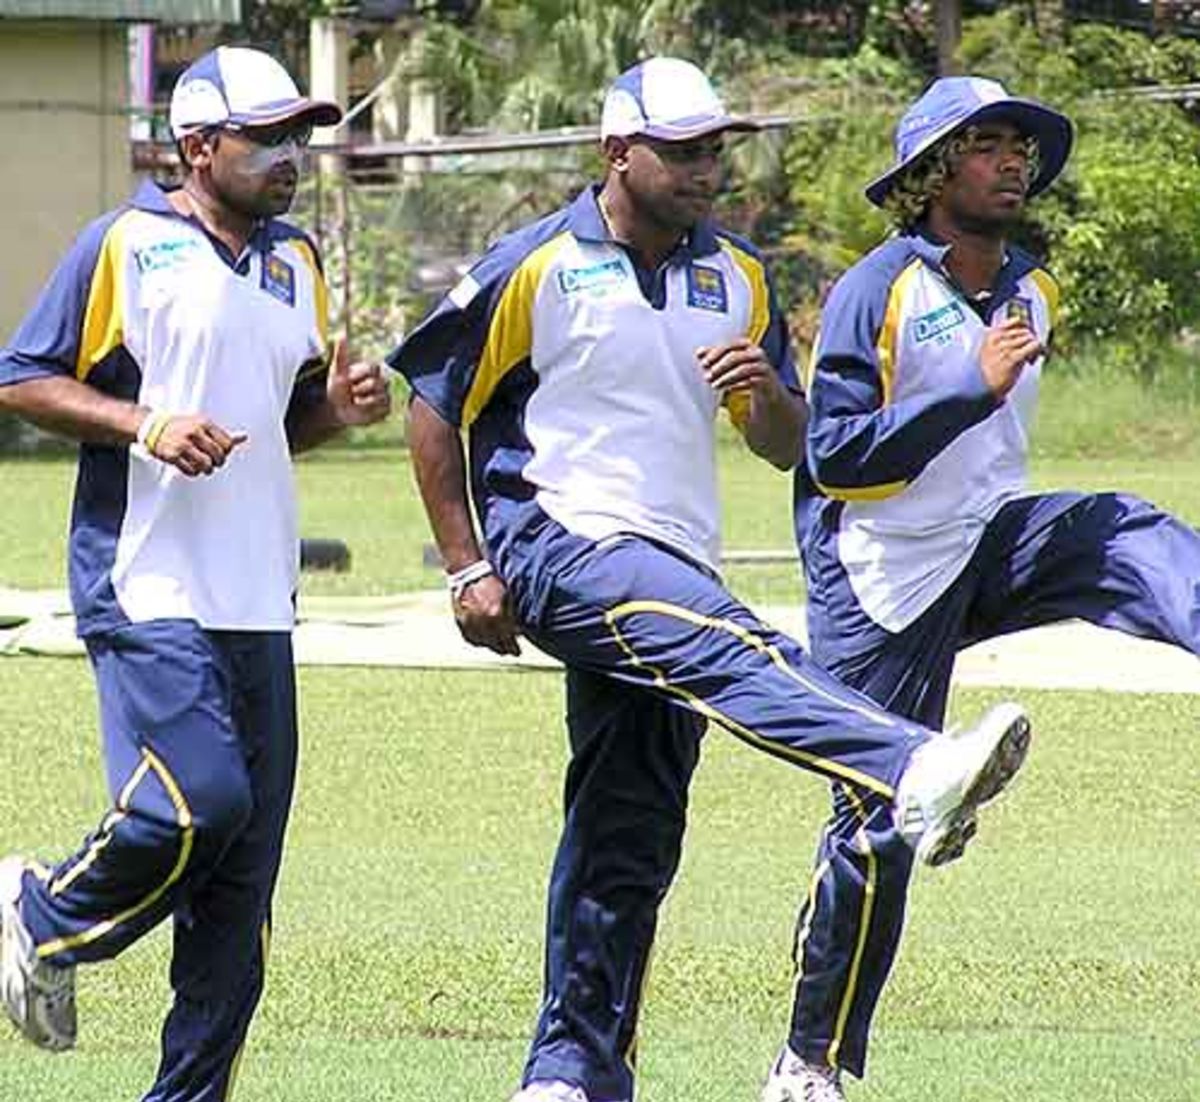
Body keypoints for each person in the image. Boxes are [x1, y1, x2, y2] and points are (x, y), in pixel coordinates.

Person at [389, 58, 1033, 1102]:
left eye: (714, 150)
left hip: (676, 559)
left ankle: (570, 1073)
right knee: (732, 645)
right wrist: (468, 564)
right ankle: (908, 767)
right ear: (617, 155)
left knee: (627, 831)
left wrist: (765, 391)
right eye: (682, 151)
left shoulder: (738, 273)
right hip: (560, 544)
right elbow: (433, 404)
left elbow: (787, 447)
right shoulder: (537, 262)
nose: (705, 169)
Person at [768, 74, 1193, 1101]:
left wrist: (986, 395)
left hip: (990, 539)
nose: (1014, 163)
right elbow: (835, 460)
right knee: (878, 824)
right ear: (930, 173)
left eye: (1020, 146)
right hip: (881, 573)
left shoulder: (1031, 287)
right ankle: (807, 1063)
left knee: (1124, 530)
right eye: (986, 145)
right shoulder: (879, 288)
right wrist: (973, 387)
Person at [0, 45, 390, 1101]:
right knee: (194, 806)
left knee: (240, 895)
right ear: (197, 145)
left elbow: (283, 418)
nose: (289, 157)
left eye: (299, 136)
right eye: (265, 138)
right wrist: (146, 424)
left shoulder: (295, 260)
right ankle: (42, 911)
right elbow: (23, 379)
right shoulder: (126, 244)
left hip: (260, 598)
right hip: (147, 582)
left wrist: (341, 411)